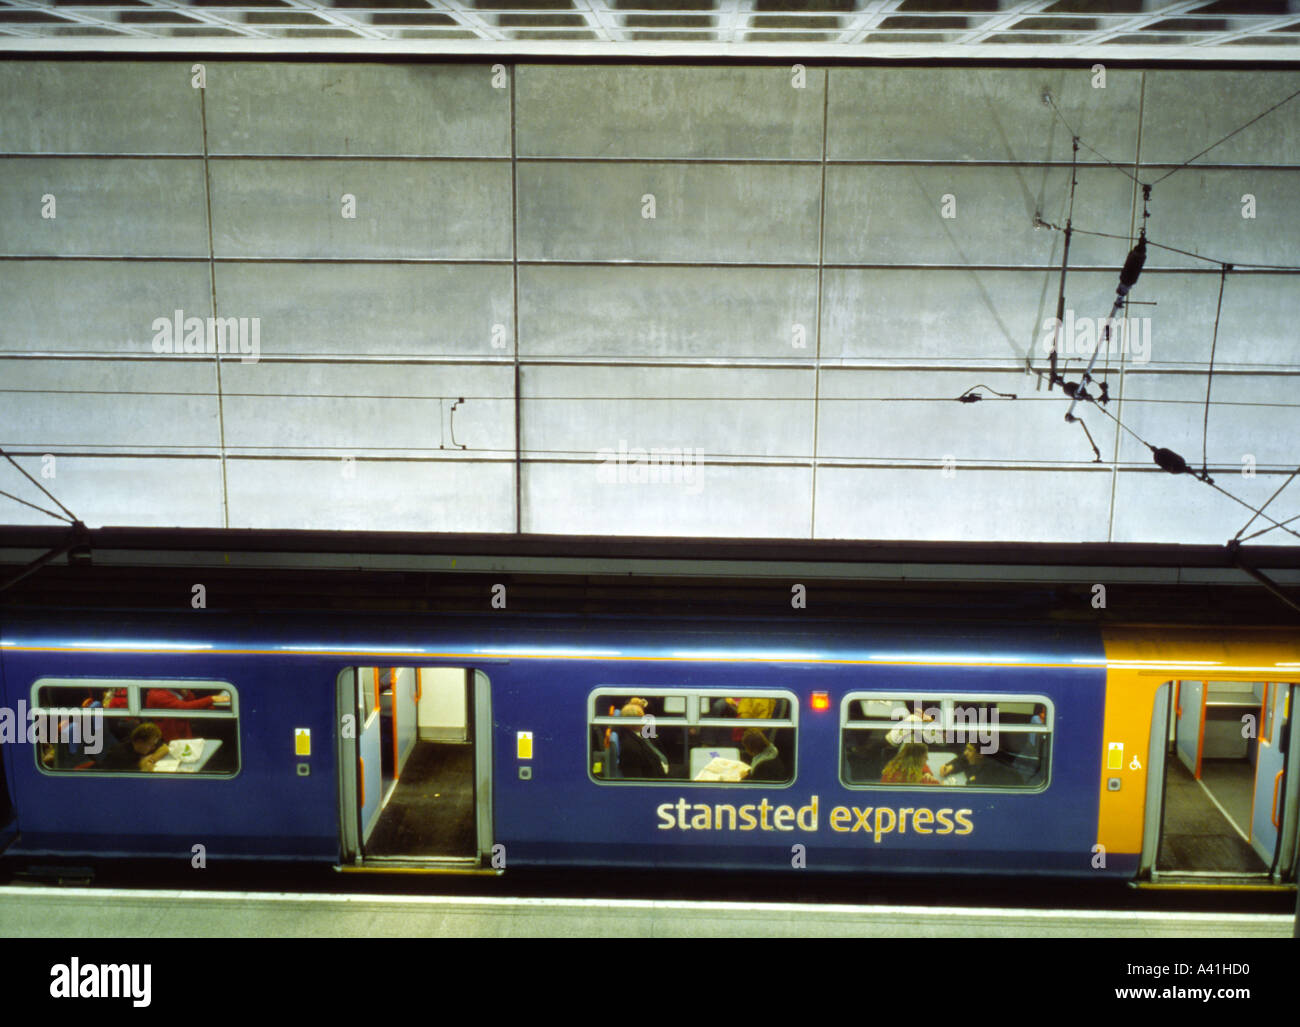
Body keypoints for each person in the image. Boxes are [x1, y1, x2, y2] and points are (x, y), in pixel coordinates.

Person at [144, 687, 229, 743]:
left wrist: (186, 693)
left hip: (183, 726)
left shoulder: (171, 688)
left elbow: (191, 700)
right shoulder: (157, 695)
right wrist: (211, 699)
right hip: (171, 735)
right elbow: (185, 707)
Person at [616, 703, 668, 778]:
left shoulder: (640, 733)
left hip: (660, 768)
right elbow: (635, 780)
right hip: (659, 778)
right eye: (642, 718)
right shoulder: (630, 748)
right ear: (633, 722)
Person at [940, 741, 1024, 787]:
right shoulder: (979, 758)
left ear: (981, 754)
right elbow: (963, 759)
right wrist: (951, 765)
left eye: (969, 750)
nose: (965, 753)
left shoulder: (990, 770)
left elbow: (970, 789)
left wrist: (949, 786)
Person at [99, 723, 171, 772]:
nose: (153, 747)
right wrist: (142, 767)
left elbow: (164, 748)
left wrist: (151, 760)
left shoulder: (144, 745)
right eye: (150, 745)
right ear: (140, 742)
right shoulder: (121, 756)